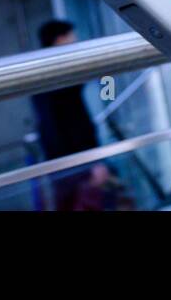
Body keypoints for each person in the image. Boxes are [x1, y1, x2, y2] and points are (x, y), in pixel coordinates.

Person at [31, 20, 123, 210]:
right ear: (60, 40)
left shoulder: (37, 71)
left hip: (61, 162)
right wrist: (92, 163)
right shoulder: (60, 74)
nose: (76, 42)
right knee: (107, 194)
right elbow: (70, 123)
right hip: (77, 160)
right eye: (72, 38)